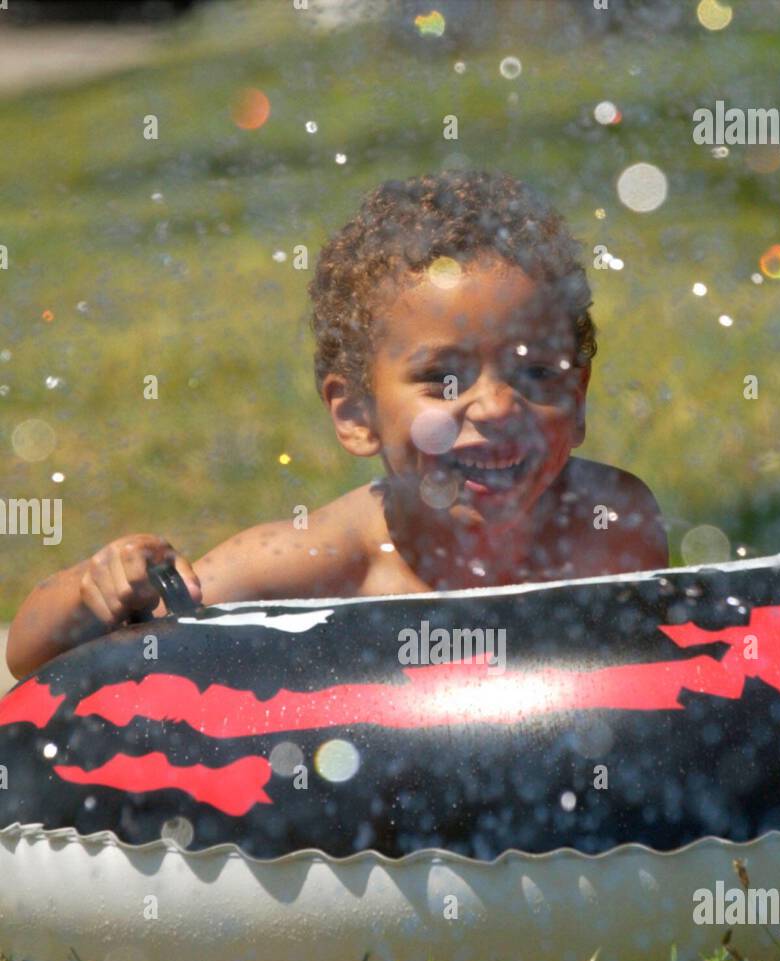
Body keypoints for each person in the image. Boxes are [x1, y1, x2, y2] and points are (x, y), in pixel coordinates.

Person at [7, 170, 667, 682]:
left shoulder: (610, 525)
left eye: (538, 375)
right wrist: (92, 592)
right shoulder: (316, 564)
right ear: (355, 414)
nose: (497, 409)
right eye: (444, 380)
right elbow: (30, 659)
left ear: (578, 400)